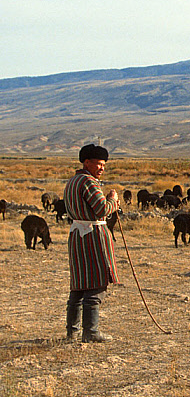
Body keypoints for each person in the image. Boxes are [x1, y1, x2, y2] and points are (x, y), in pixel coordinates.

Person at [64, 144, 120, 342]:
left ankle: (72, 332)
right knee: (96, 283)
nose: (102, 168)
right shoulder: (88, 182)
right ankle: (91, 332)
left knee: (79, 286)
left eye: (104, 165)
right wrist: (113, 200)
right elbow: (102, 209)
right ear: (87, 162)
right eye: (98, 164)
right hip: (93, 236)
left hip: (77, 236)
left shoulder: (72, 181)